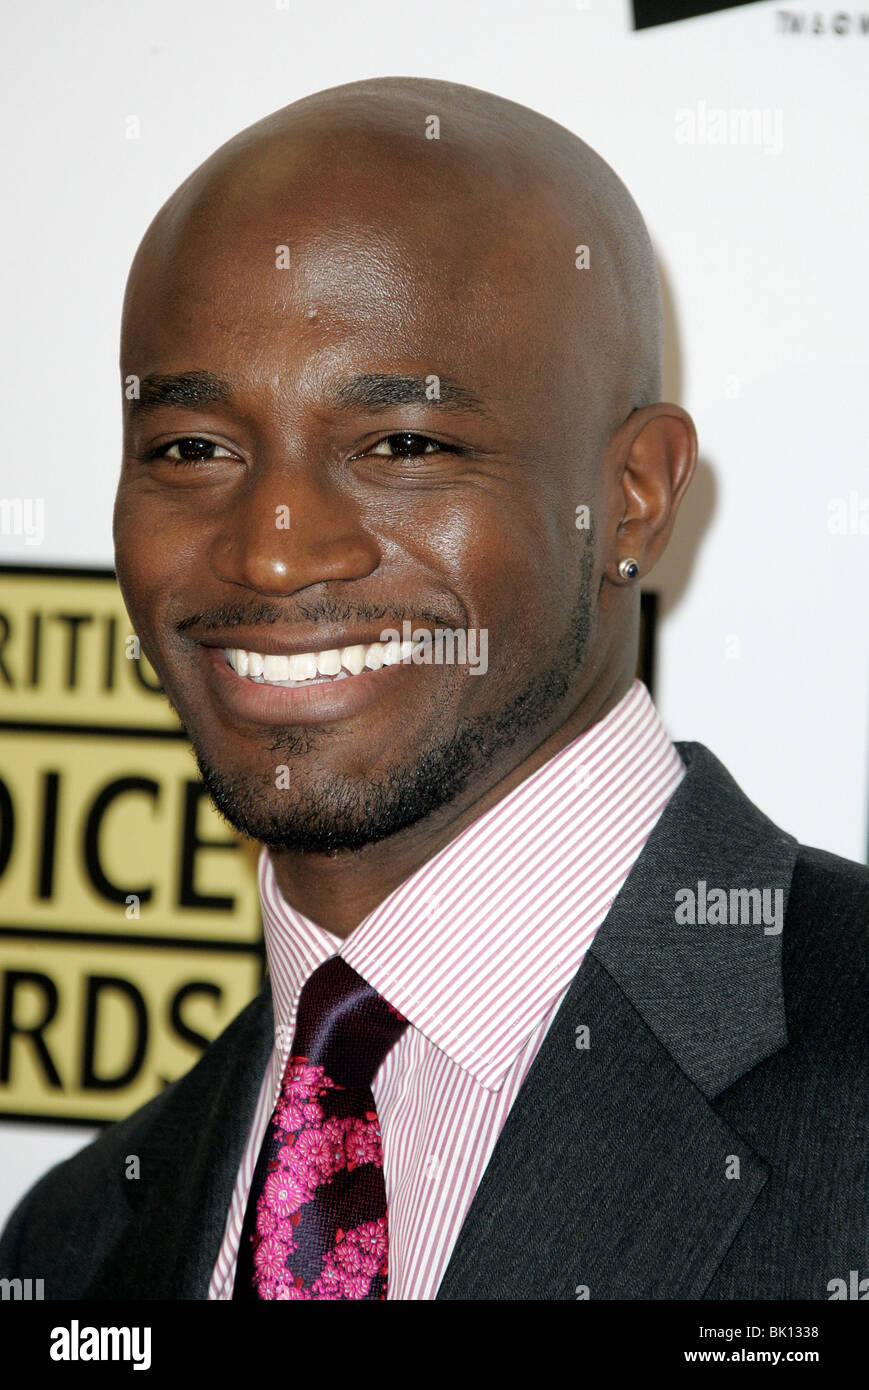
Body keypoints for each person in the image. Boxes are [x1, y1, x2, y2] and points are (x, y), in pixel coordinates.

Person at [1, 76, 865, 1302]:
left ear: (633, 495)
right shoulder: (79, 1244)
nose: (274, 549)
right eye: (192, 448)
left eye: (403, 446)